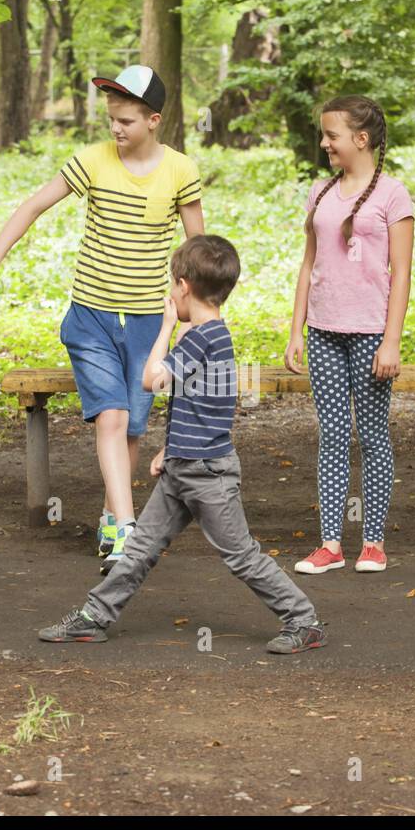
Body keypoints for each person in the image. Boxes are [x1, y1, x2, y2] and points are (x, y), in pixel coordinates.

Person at [0, 65, 204, 573]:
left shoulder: (180, 171)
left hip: (146, 322)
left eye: (127, 121)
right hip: (91, 317)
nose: (116, 129)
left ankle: (112, 520)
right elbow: (33, 207)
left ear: (154, 120)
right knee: (112, 417)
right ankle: (130, 529)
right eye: (112, 119)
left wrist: (189, 317)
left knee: (133, 426)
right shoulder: (92, 161)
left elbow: (194, 250)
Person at [38, 236, 327, 654]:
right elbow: (208, 406)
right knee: (139, 548)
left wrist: (165, 327)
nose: (171, 295)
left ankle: (304, 620)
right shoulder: (218, 337)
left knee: (241, 555)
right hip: (183, 467)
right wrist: (169, 449)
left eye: (173, 286)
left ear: (184, 286)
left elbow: (150, 379)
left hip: (208, 474)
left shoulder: (200, 337)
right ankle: (94, 617)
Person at [283, 95, 414, 575]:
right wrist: (296, 330)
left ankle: (374, 542)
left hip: (370, 335)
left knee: (373, 435)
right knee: (333, 434)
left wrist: (391, 340)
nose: (324, 143)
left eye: (331, 135)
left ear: (361, 139)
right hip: (323, 333)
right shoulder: (320, 192)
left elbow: (401, 274)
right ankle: (331, 544)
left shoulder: (393, 196)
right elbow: (309, 262)